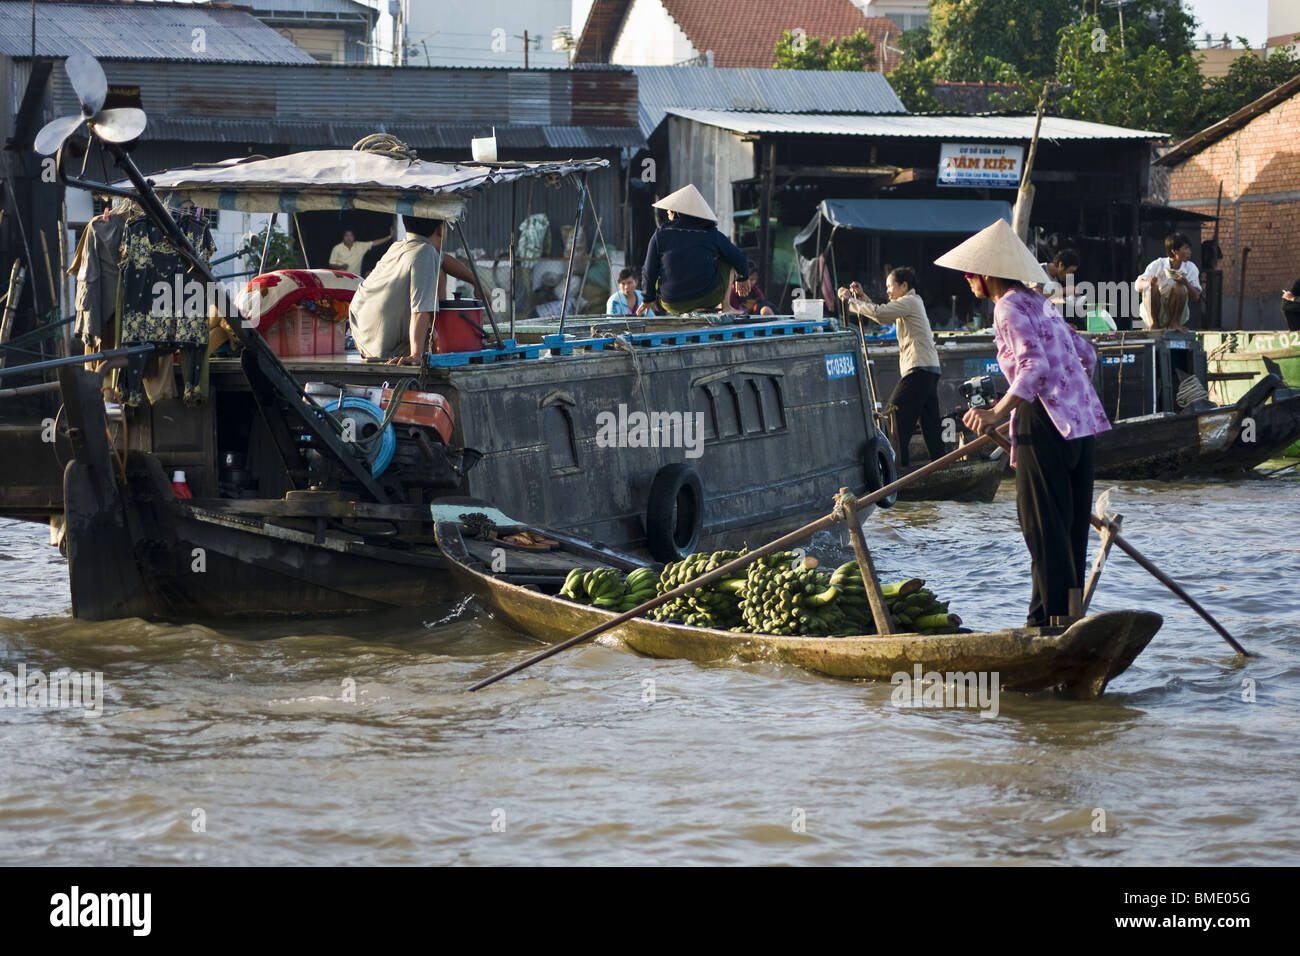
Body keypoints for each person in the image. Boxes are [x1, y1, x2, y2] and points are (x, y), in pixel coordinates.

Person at [936, 218, 1112, 628]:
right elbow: (1087, 356)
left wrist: (996, 412)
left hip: (1045, 424)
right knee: (1068, 533)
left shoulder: (1007, 306)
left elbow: (1033, 368)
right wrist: (1060, 391)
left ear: (985, 274)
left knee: (1042, 530)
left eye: (969, 274)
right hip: (1081, 426)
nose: (966, 280)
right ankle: (1058, 618)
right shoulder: (1040, 302)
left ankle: (1051, 625)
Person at [837, 268, 945, 467]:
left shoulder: (910, 302)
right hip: (929, 369)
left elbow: (881, 313)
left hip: (919, 369)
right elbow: (882, 313)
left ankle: (897, 471)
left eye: (890, 286)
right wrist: (862, 297)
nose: (887, 291)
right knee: (930, 426)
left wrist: (849, 300)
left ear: (904, 286)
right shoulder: (910, 303)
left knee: (894, 417)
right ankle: (941, 466)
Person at [348, 216, 485, 365]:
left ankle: (432, 337)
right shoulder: (425, 252)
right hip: (385, 350)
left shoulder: (400, 246)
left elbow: (443, 259)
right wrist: (416, 354)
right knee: (439, 276)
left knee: (440, 270)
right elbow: (420, 310)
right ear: (441, 229)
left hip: (362, 337)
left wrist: (476, 282)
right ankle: (432, 341)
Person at [641, 184, 749, 314]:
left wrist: (648, 298)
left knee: (662, 266)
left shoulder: (660, 234)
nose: (668, 213)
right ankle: (726, 307)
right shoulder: (710, 234)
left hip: (673, 304)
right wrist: (742, 278)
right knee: (726, 259)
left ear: (677, 212)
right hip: (709, 298)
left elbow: (649, 270)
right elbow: (739, 257)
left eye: (670, 210)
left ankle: (695, 307)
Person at [1136, 233, 1201, 332]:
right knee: (1150, 287)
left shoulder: (1191, 267)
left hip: (1176, 312)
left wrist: (1185, 283)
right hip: (1156, 309)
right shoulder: (1158, 264)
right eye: (1186, 248)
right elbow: (1138, 285)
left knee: (1179, 287)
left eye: (1189, 249)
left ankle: (1174, 323)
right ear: (1174, 251)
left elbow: (1196, 296)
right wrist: (1149, 283)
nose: (1189, 252)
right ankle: (1154, 323)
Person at [1036, 248, 1085, 328]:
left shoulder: (1055, 280)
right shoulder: (1039, 271)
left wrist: (1064, 325)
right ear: (1061, 265)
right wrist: (1064, 290)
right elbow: (1036, 296)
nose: (1070, 275)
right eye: (1070, 271)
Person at [329, 224, 394, 276]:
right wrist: (341, 267)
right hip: (340, 279)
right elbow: (331, 264)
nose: (349, 238)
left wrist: (389, 237)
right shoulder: (337, 248)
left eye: (351, 235)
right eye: (346, 235)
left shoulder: (360, 246)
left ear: (354, 237)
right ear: (343, 237)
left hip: (354, 279)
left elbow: (374, 243)